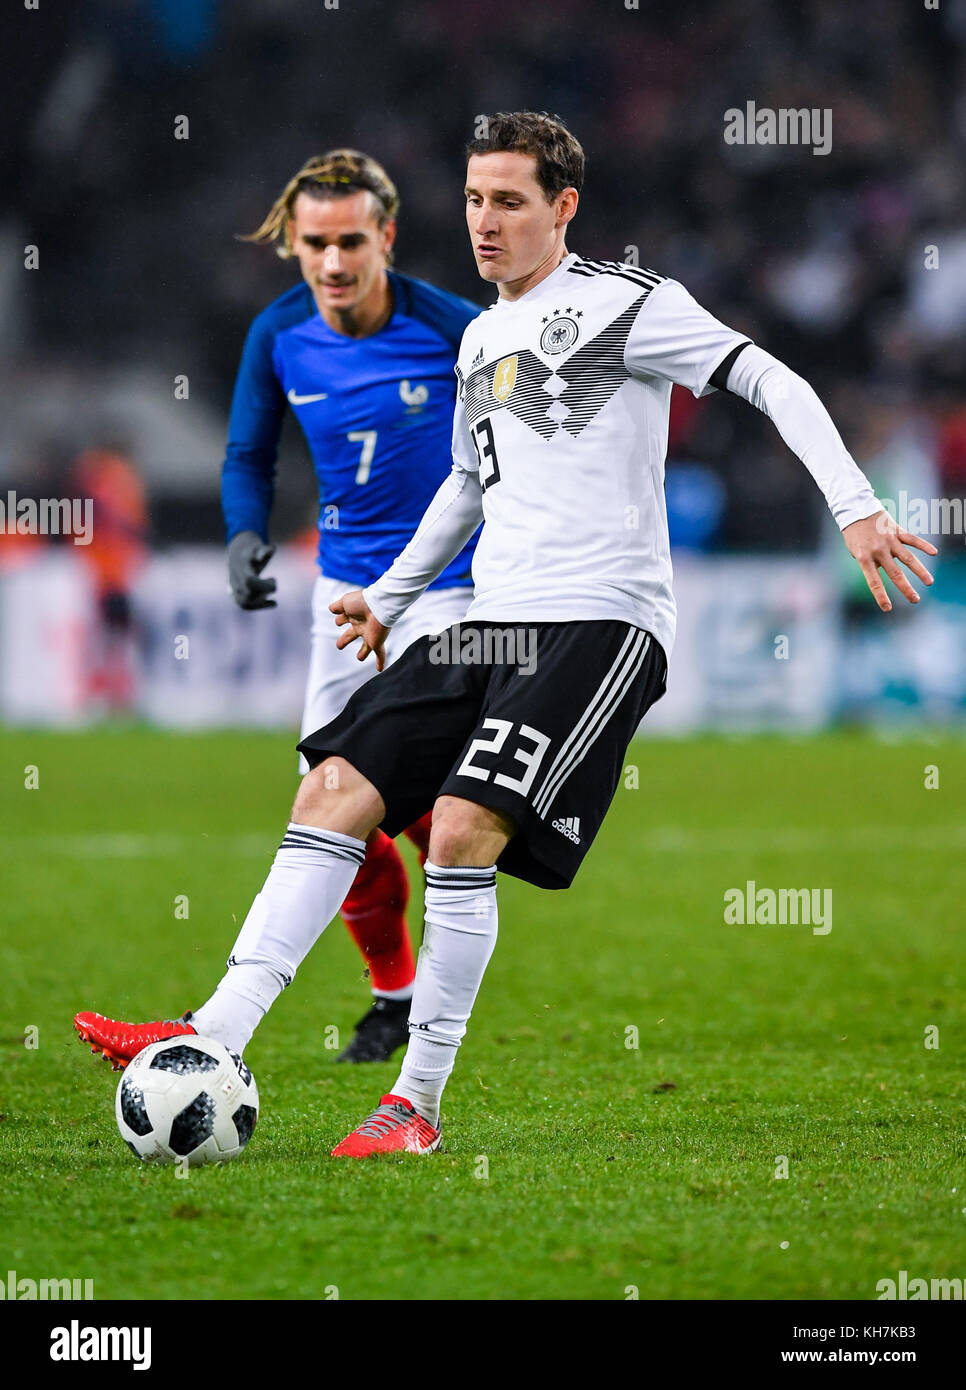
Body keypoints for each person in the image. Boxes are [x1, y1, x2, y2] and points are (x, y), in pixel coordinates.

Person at [75, 112, 935, 1156]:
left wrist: (853, 502)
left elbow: (768, 375)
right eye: (476, 199)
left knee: (459, 828)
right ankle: (210, 1034)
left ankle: (415, 1104)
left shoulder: (628, 303)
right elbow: (467, 487)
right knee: (332, 787)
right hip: (495, 624)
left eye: (511, 201)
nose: (485, 221)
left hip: (601, 623)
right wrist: (390, 596)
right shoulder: (481, 336)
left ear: (562, 208)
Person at [222, 149, 481, 1061]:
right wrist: (243, 531)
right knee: (331, 804)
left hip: (453, 592)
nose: (334, 264)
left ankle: (433, 1043)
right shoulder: (278, 335)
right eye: (316, 244)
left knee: (430, 808)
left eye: (351, 242)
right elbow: (250, 454)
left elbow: (525, 438)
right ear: (293, 243)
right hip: (345, 599)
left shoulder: (458, 330)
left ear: (387, 238)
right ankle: (393, 998)